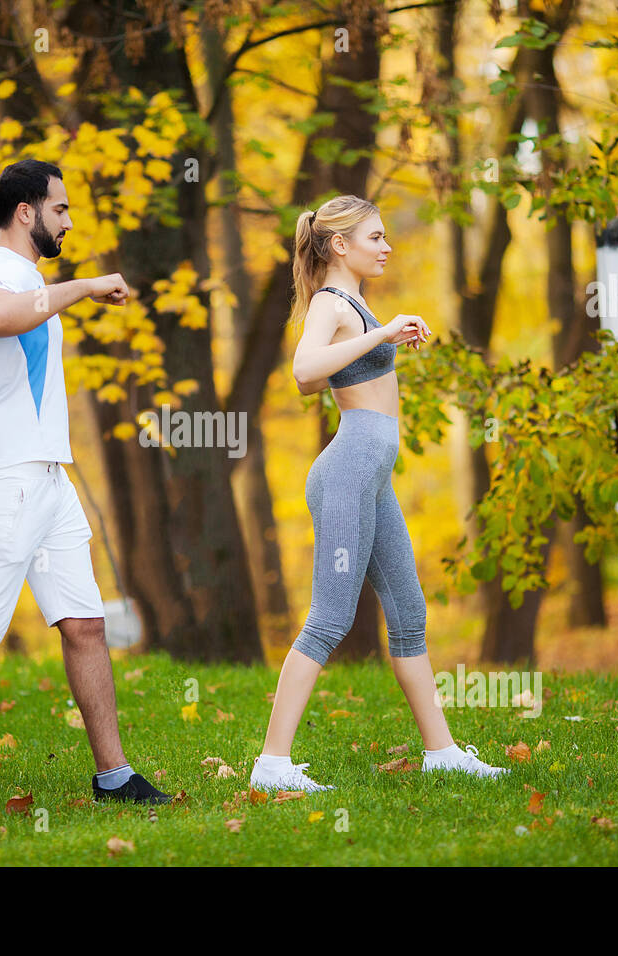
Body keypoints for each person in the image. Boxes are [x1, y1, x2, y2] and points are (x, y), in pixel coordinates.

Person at [0, 158, 170, 818]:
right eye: (61, 210)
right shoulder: (1, 276)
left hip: (47, 476)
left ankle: (114, 775)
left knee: (83, 623)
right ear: (26, 213)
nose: (69, 221)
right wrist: (82, 287)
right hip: (5, 479)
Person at [249, 195, 511, 793]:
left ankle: (441, 751)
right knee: (331, 617)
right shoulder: (329, 303)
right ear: (340, 245)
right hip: (348, 474)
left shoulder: (356, 304)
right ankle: (273, 764)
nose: (386, 246)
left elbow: (352, 365)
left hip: (370, 474)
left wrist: (389, 333)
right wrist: (383, 334)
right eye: (375, 237)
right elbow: (304, 372)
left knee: (410, 615)